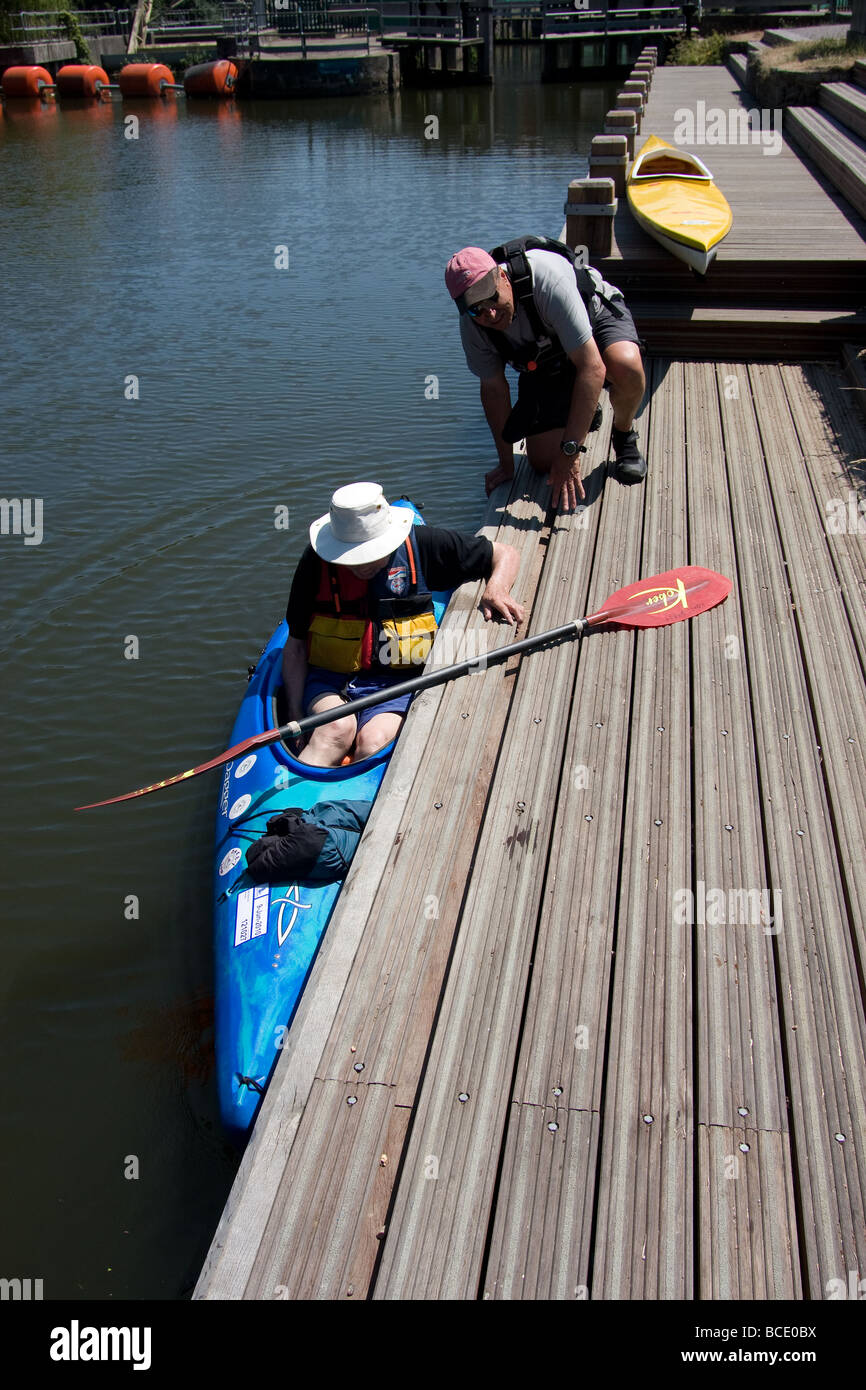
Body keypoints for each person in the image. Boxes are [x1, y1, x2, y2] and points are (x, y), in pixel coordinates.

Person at [282, 481, 525, 767]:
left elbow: (505, 553)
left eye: (371, 553)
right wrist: (297, 714)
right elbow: (296, 645)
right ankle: (287, 810)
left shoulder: (423, 544)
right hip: (331, 680)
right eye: (352, 556)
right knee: (335, 730)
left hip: (396, 683)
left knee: (373, 741)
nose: (363, 565)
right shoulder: (314, 563)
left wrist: (496, 588)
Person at [444, 237, 647, 511]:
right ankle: (583, 408)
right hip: (548, 357)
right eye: (475, 308)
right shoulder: (473, 328)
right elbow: (494, 390)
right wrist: (506, 464)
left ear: (502, 277)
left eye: (492, 298)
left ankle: (623, 435)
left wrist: (570, 451)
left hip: (593, 320)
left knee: (625, 366)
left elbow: (592, 367)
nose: (489, 313)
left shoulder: (546, 281)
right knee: (541, 462)